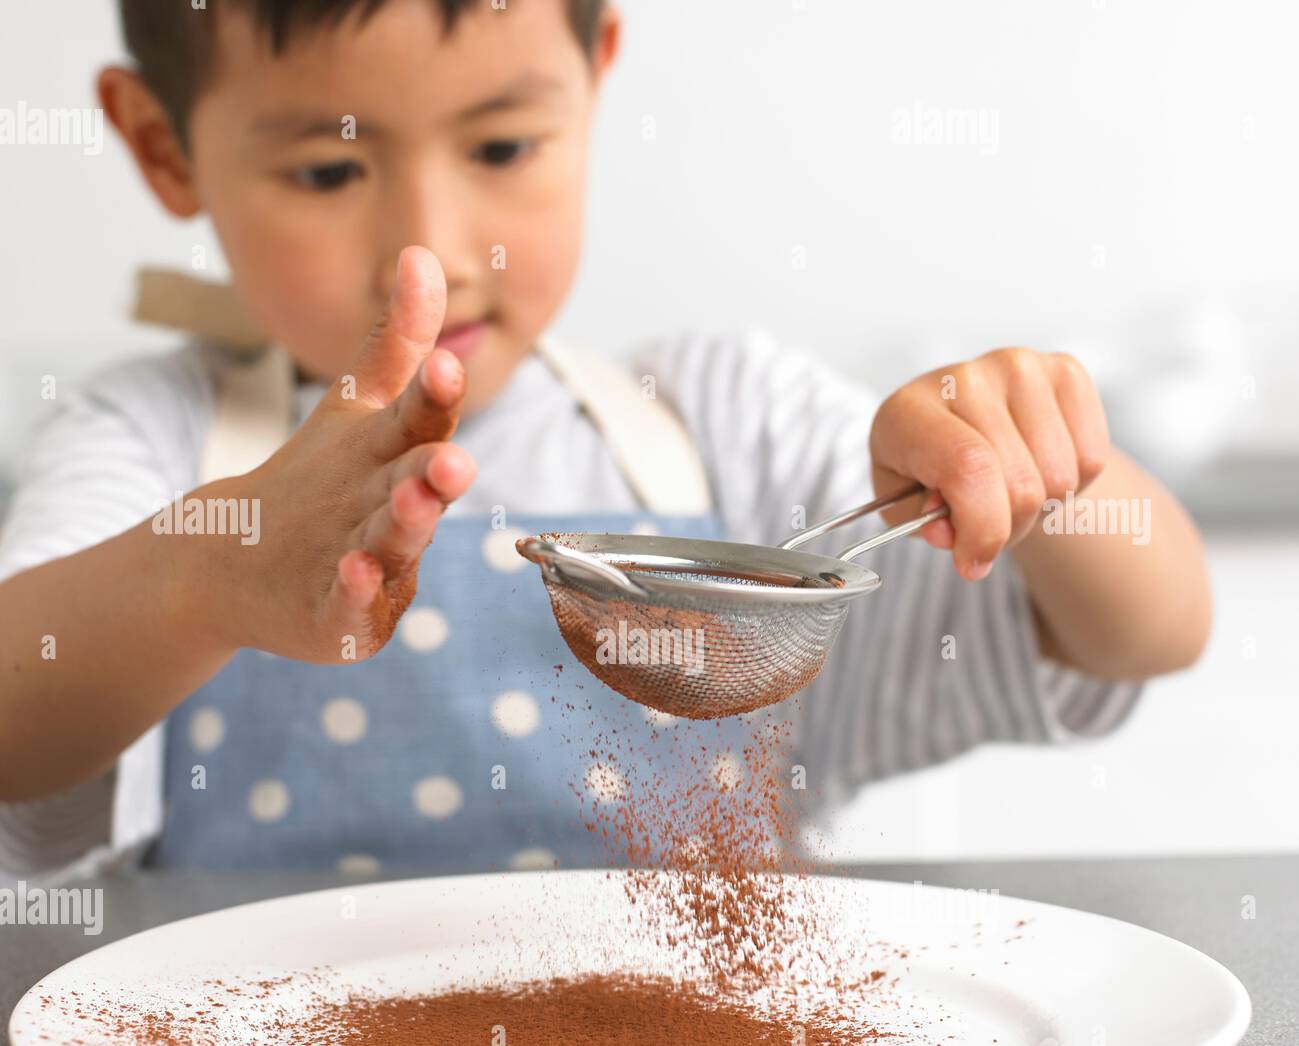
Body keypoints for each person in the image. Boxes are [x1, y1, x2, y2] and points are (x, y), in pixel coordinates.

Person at [0, 0, 1211, 880]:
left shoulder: (726, 422)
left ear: (596, 77)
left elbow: (1142, 634)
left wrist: (1039, 472)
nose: (430, 247)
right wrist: (200, 581)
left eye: (500, 148)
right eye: (329, 168)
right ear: (164, 146)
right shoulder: (157, 443)